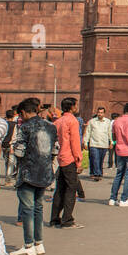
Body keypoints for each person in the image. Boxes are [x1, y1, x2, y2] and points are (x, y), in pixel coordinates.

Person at [9, 97, 57, 255]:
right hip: (45, 172)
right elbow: (55, 150)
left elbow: (19, 152)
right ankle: (39, 243)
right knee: (38, 208)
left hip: (28, 173)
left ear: (22, 112)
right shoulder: (51, 126)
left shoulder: (25, 127)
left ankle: (28, 244)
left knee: (27, 210)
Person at [47, 96, 83, 229]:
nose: (77, 107)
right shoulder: (72, 121)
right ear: (72, 107)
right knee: (70, 189)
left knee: (60, 189)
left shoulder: (59, 121)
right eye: (76, 105)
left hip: (61, 157)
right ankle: (67, 220)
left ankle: (54, 219)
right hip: (70, 158)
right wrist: (79, 161)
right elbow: (75, 142)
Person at [107, 103, 128, 207]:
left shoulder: (116, 121)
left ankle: (112, 198)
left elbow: (114, 137)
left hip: (120, 150)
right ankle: (124, 199)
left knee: (119, 174)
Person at [82, 105, 112, 181]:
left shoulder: (108, 122)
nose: (100, 114)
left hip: (104, 144)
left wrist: (111, 142)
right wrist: (86, 142)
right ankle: (97, 174)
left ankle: (98, 172)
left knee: (100, 160)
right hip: (94, 144)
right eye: (98, 112)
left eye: (101, 113)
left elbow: (110, 132)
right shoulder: (92, 121)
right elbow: (88, 132)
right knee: (95, 159)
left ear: (104, 114)